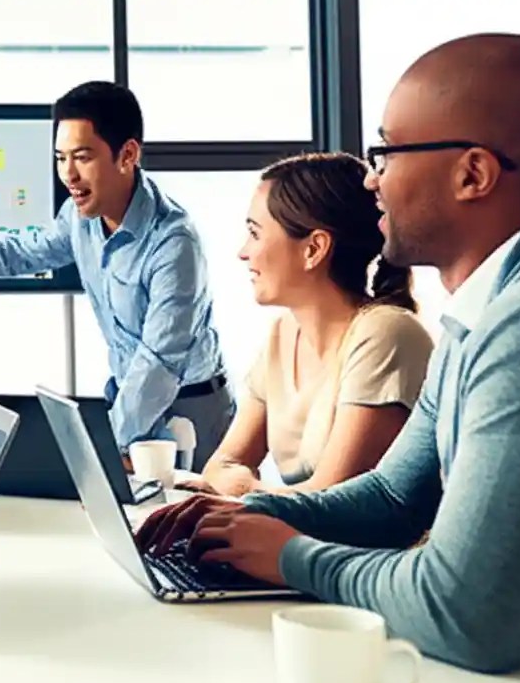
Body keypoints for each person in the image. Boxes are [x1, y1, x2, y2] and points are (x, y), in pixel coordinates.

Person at [135, 33, 520, 673]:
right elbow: (394, 500)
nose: (371, 179)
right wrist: (244, 516)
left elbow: (471, 614)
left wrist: (290, 555)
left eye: (387, 152)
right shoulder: (482, 311)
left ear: (473, 174)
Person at [0, 80, 231, 470]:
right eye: (60, 157)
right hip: (129, 402)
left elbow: (159, 364)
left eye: (82, 157)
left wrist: (105, 448)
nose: (68, 174)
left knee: (188, 525)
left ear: (127, 154)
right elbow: (19, 253)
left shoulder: (174, 243)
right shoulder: (80, 217)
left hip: (188, 412)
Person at [179, 153, 433, 497]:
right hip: (303, 542)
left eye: (255, 234)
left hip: (370, 550)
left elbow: (330, 501)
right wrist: (243, 488)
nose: (243, 252)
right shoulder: (282, 335)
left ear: (313, 248)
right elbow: (219, 466)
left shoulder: (386, 334)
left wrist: (241, 489)